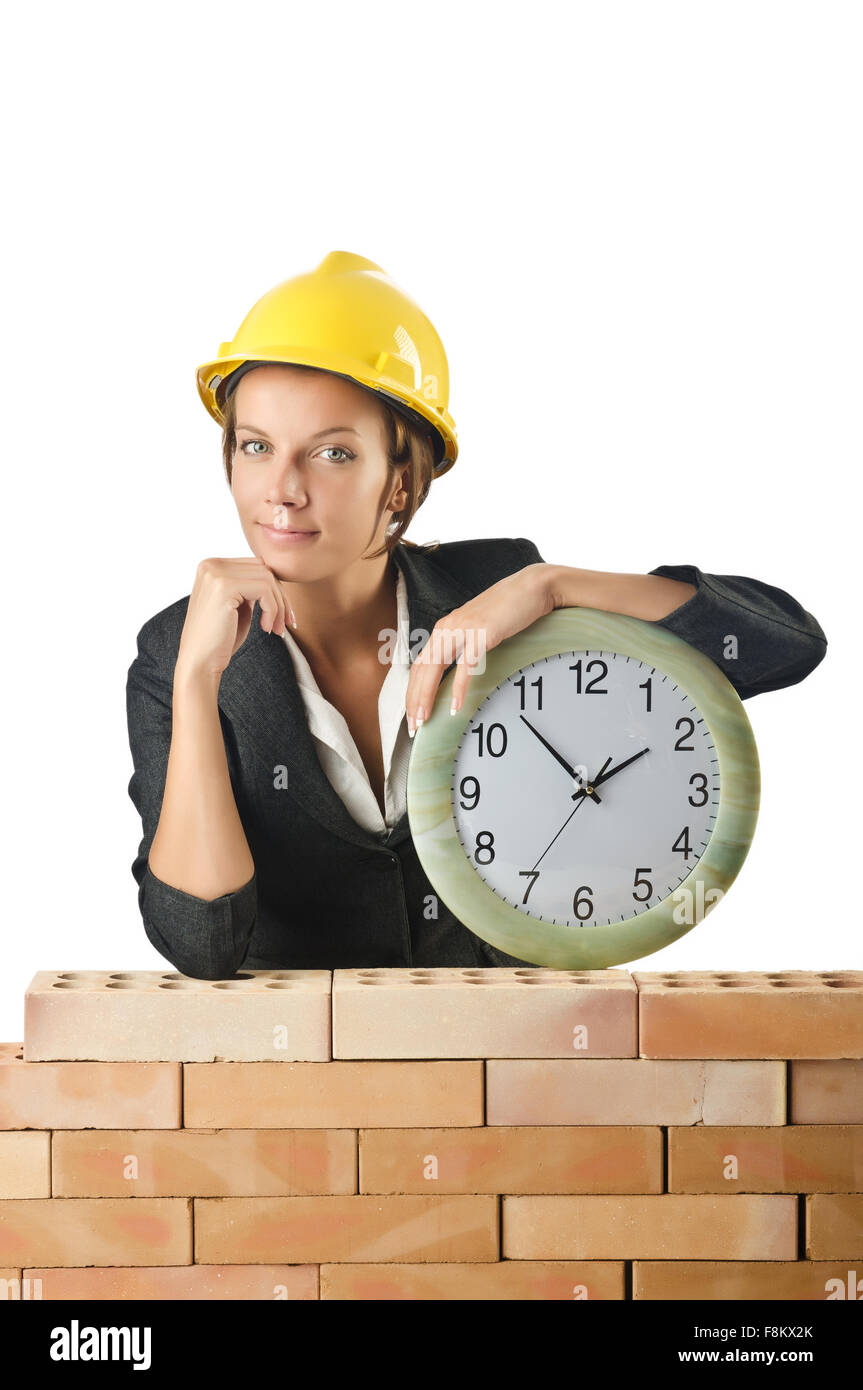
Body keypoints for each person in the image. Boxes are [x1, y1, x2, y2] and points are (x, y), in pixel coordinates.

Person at [126, 251, 827, 979]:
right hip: (308, 1073)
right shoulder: (176, 650)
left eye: (331, 453)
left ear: (400, 483)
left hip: (520, 1056)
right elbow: (202, 947)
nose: (282, 490)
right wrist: (196, 682)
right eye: (255, 446)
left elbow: (783, 646)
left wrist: (554, 587)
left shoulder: (495, 588)